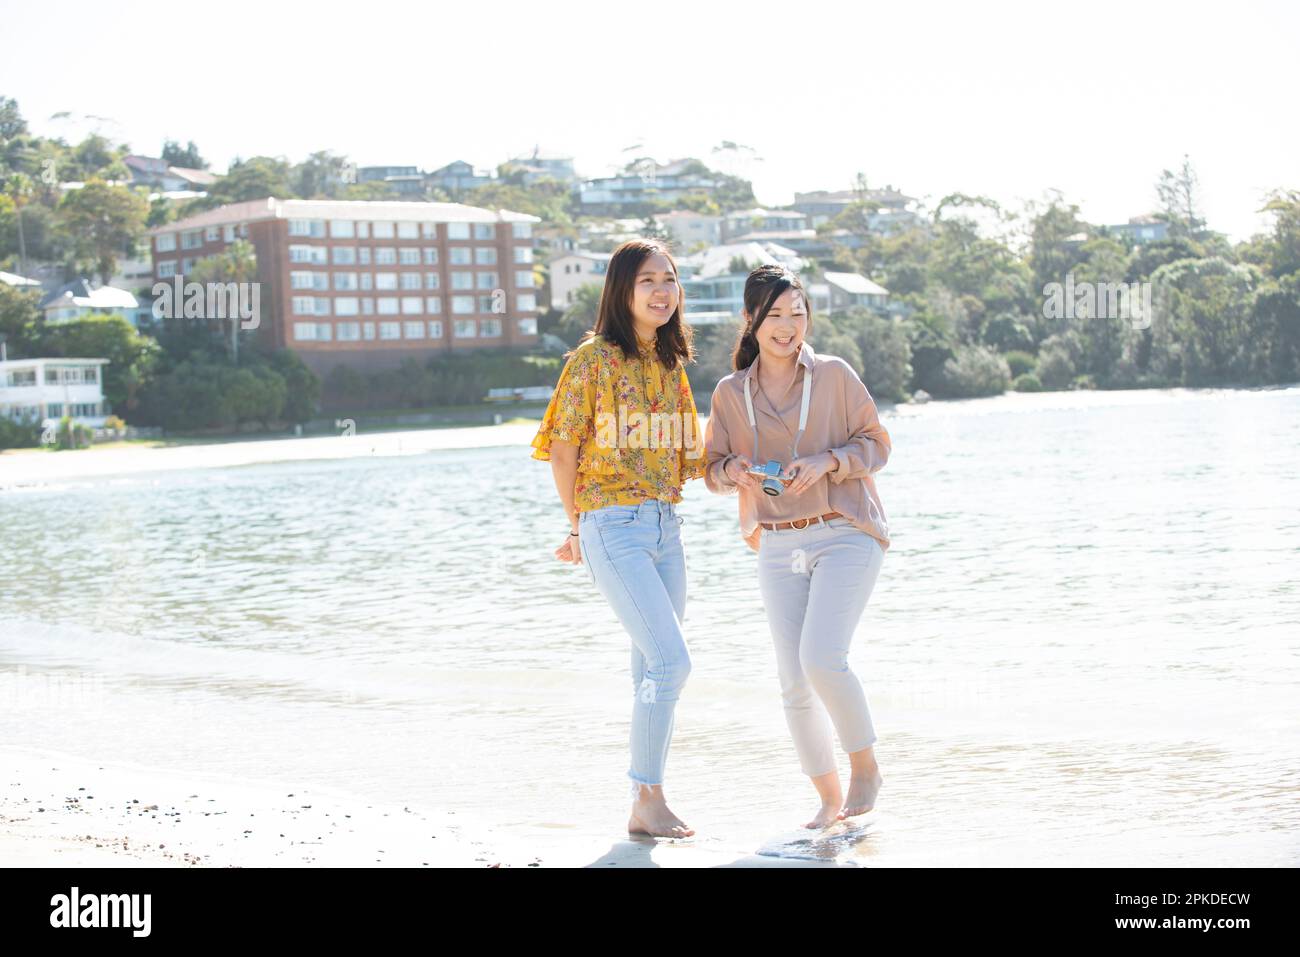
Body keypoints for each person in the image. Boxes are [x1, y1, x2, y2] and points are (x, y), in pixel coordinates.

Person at [703, 264, 892, 829]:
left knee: (821, 658)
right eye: (775, 315)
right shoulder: (729, 393)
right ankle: (830, 798)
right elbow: (710, 469)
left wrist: (829, 461)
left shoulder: (834, 374)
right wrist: (734, 470)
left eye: (798, 313)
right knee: (793, 680)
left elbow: (878, 444)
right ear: (751, 321)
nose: (788, 326)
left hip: (845, 529)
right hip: (778, 541)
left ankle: (866, 767)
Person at [531, 238, 706, 838]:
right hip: (613, 526)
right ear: (622, 292)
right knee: (671, 662)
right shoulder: (592, 360)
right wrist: (575, 525)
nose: (663, 291)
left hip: (665, 528)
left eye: (671, 279)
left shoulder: (670, 364)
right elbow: (562, 448)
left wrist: (760, 472)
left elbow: (693, 457)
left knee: (650, 674)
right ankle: (648, 798)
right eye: (648, 281)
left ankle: (644, 802)